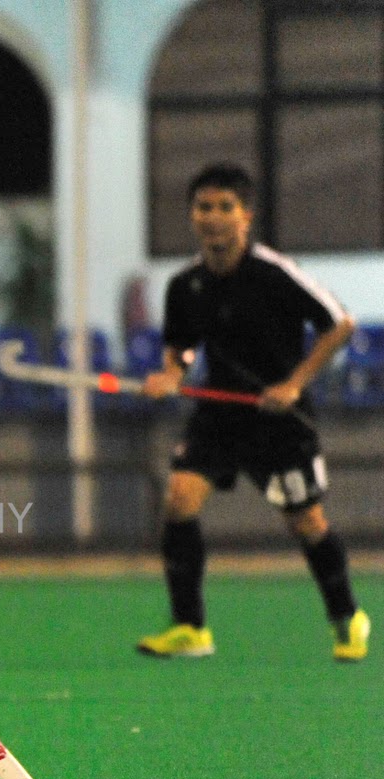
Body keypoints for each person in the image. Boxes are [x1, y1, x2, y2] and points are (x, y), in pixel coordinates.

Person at [137, 162, 369, 663]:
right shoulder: (185, 286)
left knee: (306, 522)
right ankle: (190, 627)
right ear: (193, 215)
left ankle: (347, 617)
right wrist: (172, 375)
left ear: (246, 216)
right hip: (218, 417)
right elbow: (181, 347)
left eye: (225, 207)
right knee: (179, 499)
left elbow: (339, 324)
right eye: (204, 207)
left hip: (279, 423)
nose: (213, 217)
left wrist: (294, 383)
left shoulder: (275, 274)